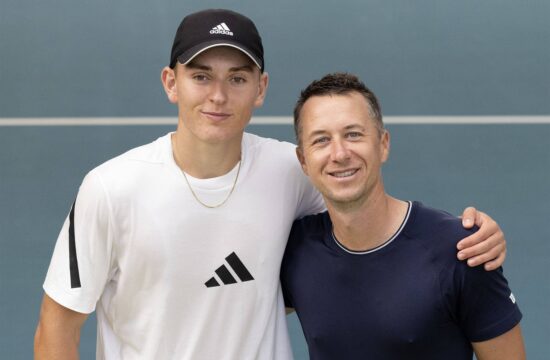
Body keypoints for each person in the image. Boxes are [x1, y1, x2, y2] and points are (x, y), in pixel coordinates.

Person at [34, 9, 507, 360]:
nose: (218, 95)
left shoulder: (291, 169)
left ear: (260, 89)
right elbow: (58, 324)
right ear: (170, 82)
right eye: (201, 77)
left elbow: (365, 211)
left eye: (237, 78)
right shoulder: (110, 188)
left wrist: (466, 233)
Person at [281, 72, 525, 360]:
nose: (340, 153)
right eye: (321, 140)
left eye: (353, 134)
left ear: (383, 144)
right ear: (303, 161)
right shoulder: (294, 249)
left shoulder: (462, 251)